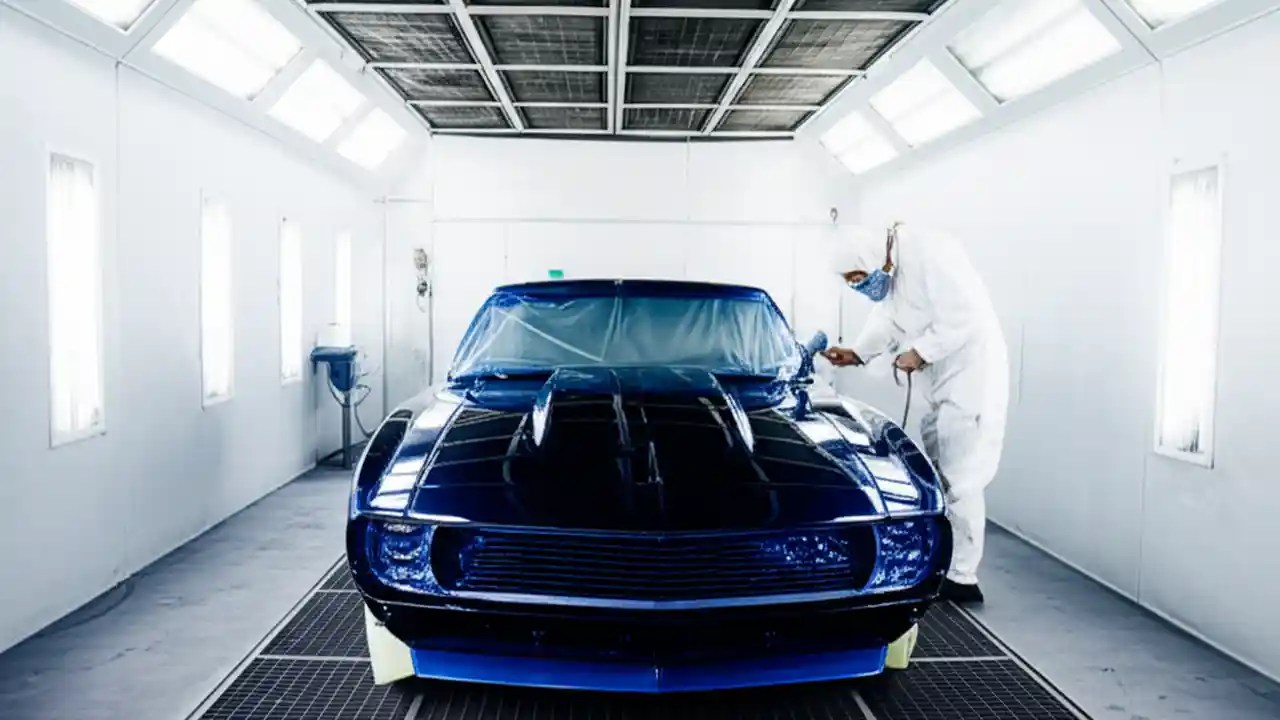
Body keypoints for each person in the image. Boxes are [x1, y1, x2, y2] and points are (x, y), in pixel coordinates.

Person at [823, 223, 1008, 605]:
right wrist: (858, 352)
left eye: (858, 277)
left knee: (962, 478)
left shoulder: (933, 254)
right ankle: (944, 564)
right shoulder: (894, 268)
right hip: (940, 382)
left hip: (971, 379)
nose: (859, 286)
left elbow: (964, 316)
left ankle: (963, 578)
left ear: (872, 260)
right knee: (941, 473)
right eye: (851, 281)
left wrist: (921, 351)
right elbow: (888, 319)